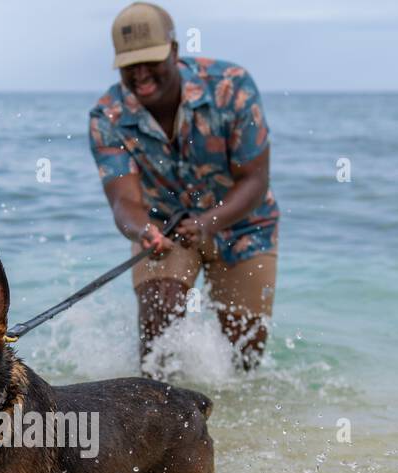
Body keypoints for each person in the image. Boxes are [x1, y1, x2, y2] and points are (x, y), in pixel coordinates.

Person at [89, 2, 279, 374]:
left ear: (174, 51)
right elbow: (124, 200)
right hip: (164, 229)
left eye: (151, 61)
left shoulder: (232, 89)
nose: (141, 74)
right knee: (156, 337)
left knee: (245, 356)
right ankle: (157, 419)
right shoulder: (107, 117)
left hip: (243, 224)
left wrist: (208, 222)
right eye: (130, 65)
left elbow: (255, 181)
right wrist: (143, 230)